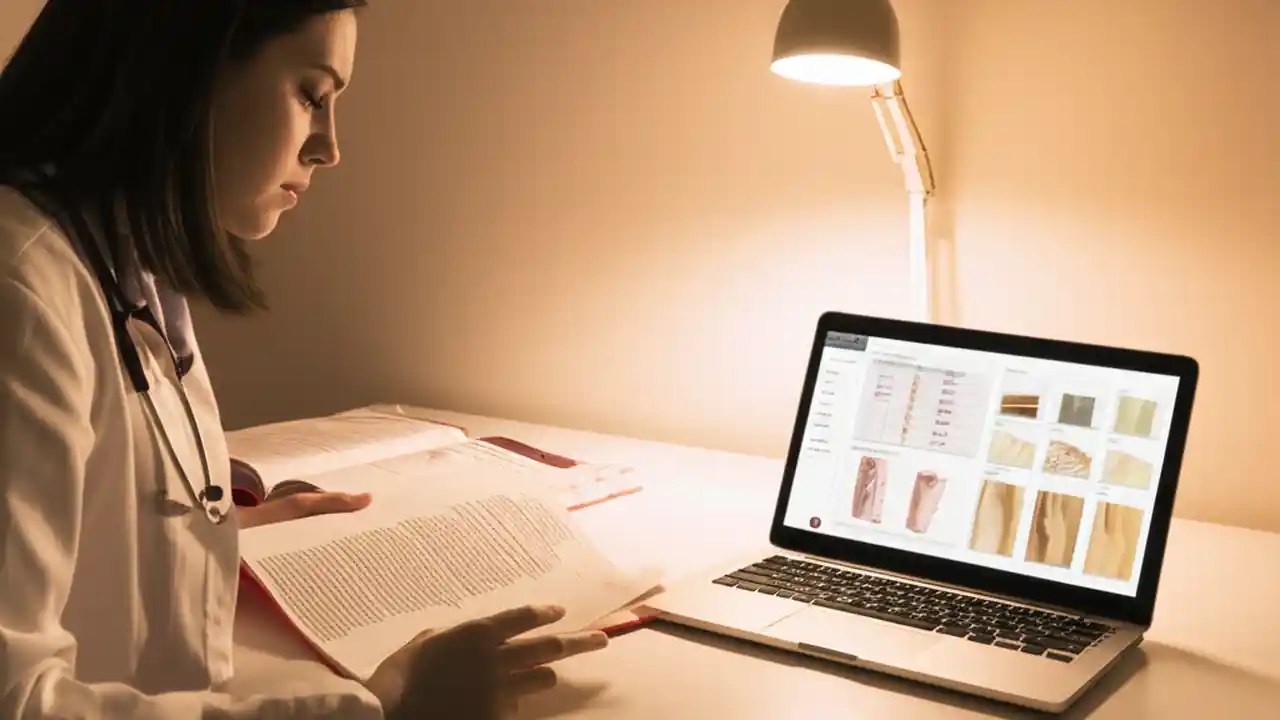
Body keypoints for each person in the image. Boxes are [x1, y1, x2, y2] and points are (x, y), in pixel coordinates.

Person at [0, 2, 608, 718]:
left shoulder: (128, 273)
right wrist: (387, 714)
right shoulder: (21, 289)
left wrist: (197, 535)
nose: (328, 147)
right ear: (187, 69)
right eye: (311, 95)